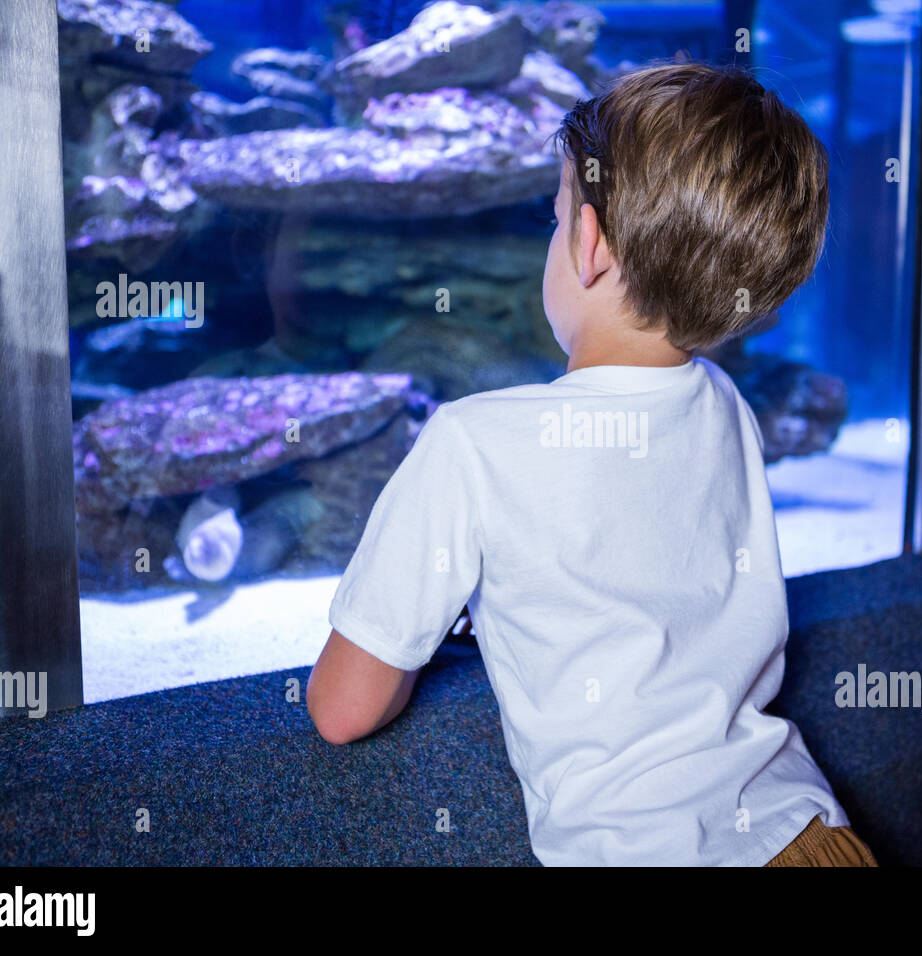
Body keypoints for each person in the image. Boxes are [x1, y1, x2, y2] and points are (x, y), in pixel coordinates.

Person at [307, 62, 877, 867]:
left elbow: (341, 709)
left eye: (554, 214)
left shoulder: (471, 443)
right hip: (813, 835)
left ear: (588, 243)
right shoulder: (724, 406)